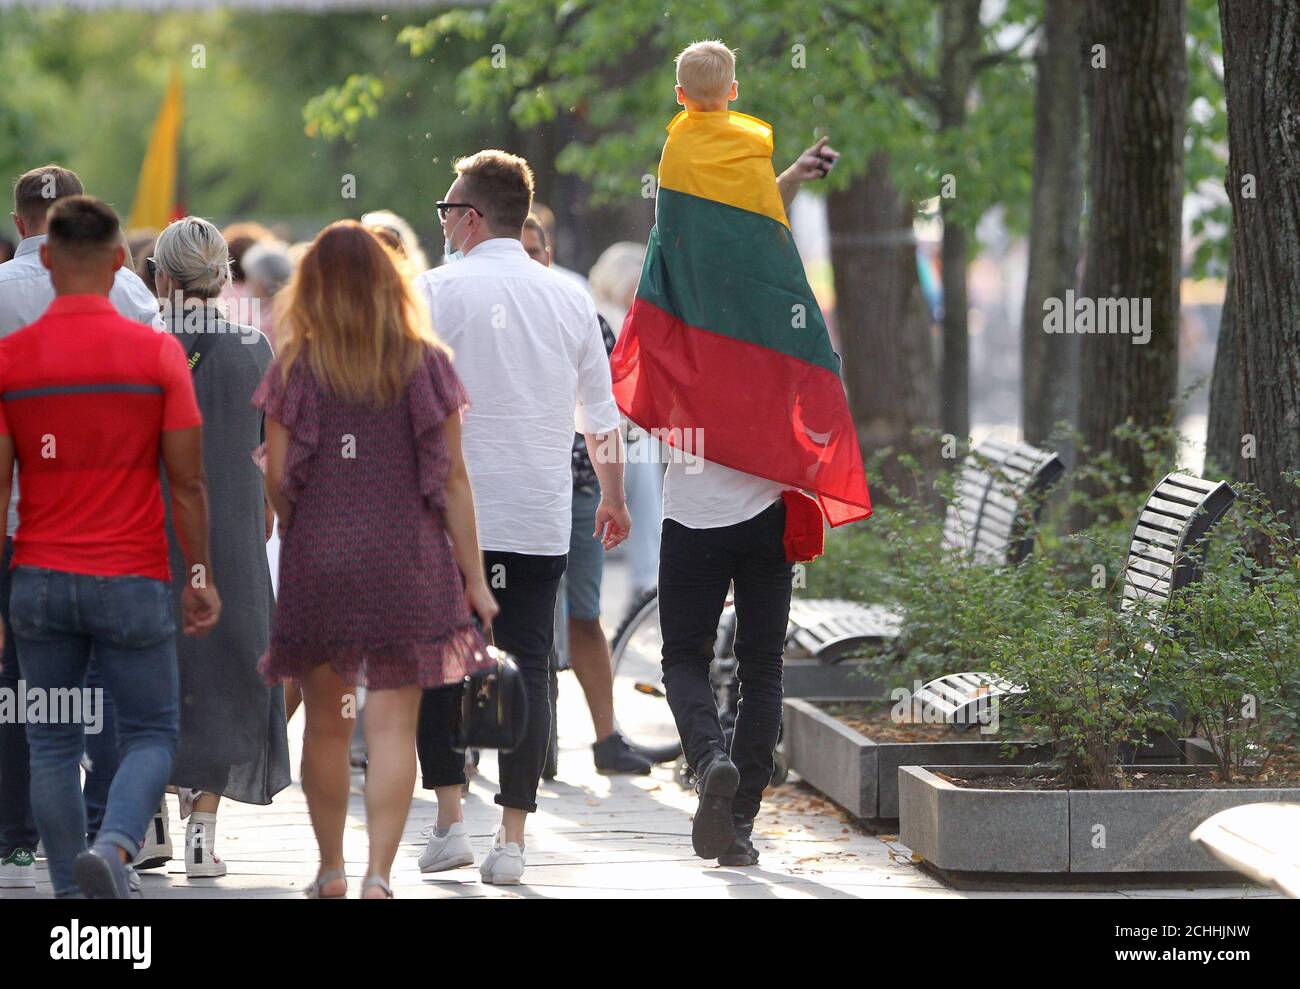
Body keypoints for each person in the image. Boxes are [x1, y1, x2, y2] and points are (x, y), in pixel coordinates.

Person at [611, 41, 868, 867]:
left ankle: (708, 758)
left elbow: (688, 240)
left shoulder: (684, 301)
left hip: (693, 515)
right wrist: (787, 175)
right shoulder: (769, 320)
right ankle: (744, 825)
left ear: (680, 95)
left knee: (684, 655)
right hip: (765, 516)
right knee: (762, 668)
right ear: (737, 92)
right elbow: (754, 225)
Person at [255, 221, 496, 899]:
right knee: (393, 724)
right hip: (408, 561)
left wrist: (312, 518)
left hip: (321, 562)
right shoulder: (425, 362)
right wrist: (475, 578)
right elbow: (451, 479)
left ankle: (330, 868)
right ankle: (378, 876)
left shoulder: (295, 367)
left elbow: (276, 478)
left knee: (328, 723)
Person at [414, 151, 629, 885]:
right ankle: (512, 836)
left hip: (449, 516)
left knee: (442, 661)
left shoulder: (434, 291)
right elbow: (598, 415)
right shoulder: (570, 297)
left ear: (470, 218)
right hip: (538, 510)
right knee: (531, 663)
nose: (442, 223)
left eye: (447, 211)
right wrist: (613, 494)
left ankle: (449, 819)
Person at [0, 195, 221, 898]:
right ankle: (119, 842)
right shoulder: (156, 350)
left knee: (52, 743)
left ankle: (73, 895)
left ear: (47, 259)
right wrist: (199, 574)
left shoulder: (12, 358)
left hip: (37, 575)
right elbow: (188, 483)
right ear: (122, 262)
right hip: (129, 574)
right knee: (152, 729)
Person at [148, 216, 291, 880]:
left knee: (150, 673)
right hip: (233, 528)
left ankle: (147, 822)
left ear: (166, 276)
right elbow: (273, 454)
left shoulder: (143, 342)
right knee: (229, 672)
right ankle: (203, 831)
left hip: (150, 530)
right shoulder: (252, 348)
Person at [520, 216, 654, 776]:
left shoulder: (579, 315)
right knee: (507, 618)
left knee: (585, 613)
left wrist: (611, 490)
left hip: (575, 485)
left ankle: (605, 738)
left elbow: (610, 409)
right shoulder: (483, 320)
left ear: (549, 255)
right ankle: (500, 737)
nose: (525, 260)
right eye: (515, 249)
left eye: (533, 250)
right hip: (511, 492)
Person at [589, 241, 662, 598]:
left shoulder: (607, 314)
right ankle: (646, 581)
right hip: (614, 433)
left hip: (618, 433)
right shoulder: (610, 317)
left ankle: (646, 580)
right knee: (644, 484)